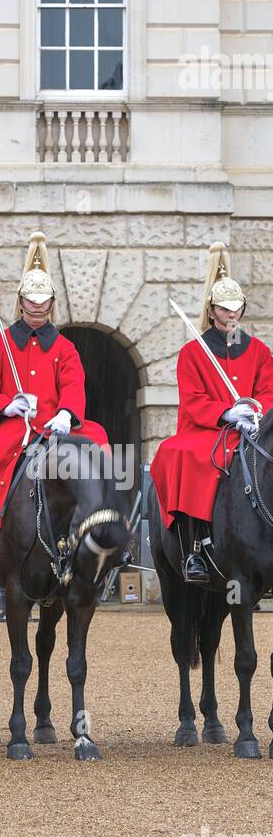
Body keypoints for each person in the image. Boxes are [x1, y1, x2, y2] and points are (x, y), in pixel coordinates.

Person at [0, 231, 110, 582]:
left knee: (97, 439)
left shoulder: (65, 347)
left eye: (44, 303)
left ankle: (102, 521)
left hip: (53, 424)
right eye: (31, 302)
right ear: (21, 302)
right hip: (10, 424)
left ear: (52, 303)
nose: (38, 309)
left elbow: (73, 384)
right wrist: (7, 405)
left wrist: (66, 415)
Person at [151, 243, 273, 584]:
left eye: (236, 308)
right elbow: (192, 399)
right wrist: (226, 413)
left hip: (252, 428)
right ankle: (194, 548)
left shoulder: (260, 351)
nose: (231, 314)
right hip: (208, 430)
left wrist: (255, 410)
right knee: (188, 456)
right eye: (225, 308)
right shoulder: (192, 352)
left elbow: (268, 389)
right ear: (212, 310)